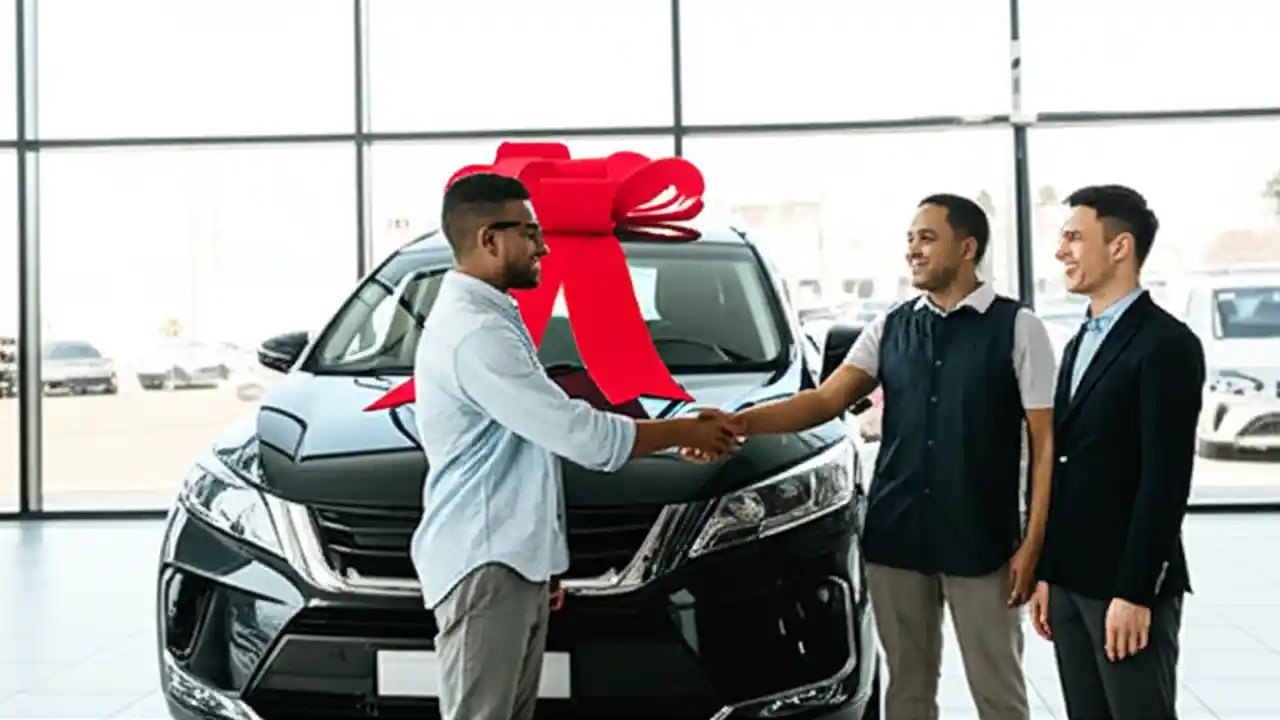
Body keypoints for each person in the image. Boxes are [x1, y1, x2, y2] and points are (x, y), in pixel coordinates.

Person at [695, 194, 1058, 719]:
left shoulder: (1019, 329)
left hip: (983, 541)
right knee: (907, 690)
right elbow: (823, 401)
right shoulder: (890, 327)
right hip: (897, 536)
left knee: (998, 692)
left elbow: (1046, 444)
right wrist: (740, 423)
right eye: (910, 239)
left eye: (927, 238)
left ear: (967, 247)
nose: (913, 250)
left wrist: (1034, 542)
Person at [409, 172, 742, 720]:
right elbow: (578, 435)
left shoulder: (489, 314)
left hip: (510, 557)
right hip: (486, 560)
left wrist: (543, 558)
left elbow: (524, 448)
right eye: (531, 232)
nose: (542, 246)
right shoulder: (477, 334)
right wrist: (685, 430)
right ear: (490, 239)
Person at [1028, 185, 1205, 719]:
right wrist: (1047, 572)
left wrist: (1135, 592)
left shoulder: (1167, 344)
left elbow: (1165, 480)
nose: (1061, 251)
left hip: (1124, 585)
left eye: (1074, 237)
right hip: (1070, 581)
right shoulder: (1081, 339)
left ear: (1120, 247)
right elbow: (1065, 463)